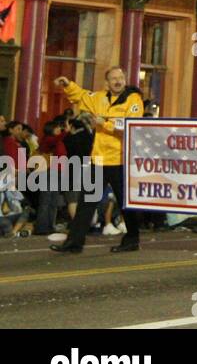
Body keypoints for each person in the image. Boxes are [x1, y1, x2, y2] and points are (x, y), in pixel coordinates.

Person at [50, 67, 144, 254]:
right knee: (86, 202)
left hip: (120, 160)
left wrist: (105, 124)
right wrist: (68, 85)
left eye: (121, 77)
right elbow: (82, 96)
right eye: (114, 78)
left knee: (126, 203)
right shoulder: (100, 98)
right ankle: (74, 243)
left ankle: (132, 238)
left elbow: (132, 126)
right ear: (107, 83)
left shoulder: (134, 100)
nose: (118, 81)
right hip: (100, 159)